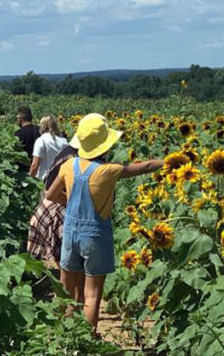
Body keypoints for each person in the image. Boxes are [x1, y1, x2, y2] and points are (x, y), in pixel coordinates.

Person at [45, 113, 164, 333]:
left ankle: (63, 337)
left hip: (70, 233)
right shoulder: (107, 171)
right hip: (95, 236)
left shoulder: (68, 165)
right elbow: (146, 166)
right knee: (92, 293)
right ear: (104, 146)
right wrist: (171, 161)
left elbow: (51, 195)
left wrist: (70, 202)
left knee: (66, 288)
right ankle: (87, 341)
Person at [30, 116, 69, 180]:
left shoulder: (41, 140)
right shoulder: (64, 141)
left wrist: (29, 180)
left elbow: (35, 165)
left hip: (43, 178)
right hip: (58, 179)